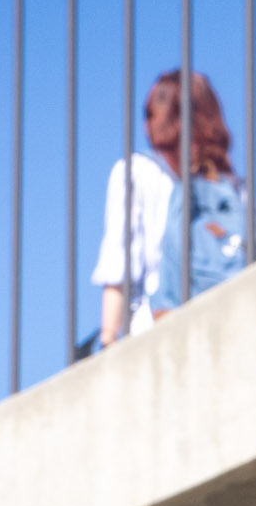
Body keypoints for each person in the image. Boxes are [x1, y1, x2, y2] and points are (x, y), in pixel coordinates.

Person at [93, 69, 247, 346]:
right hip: (227, 327)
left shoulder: (135, 172)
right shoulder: (232, 187)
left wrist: (107, 339)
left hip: (156, 328)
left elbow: (119, 267)